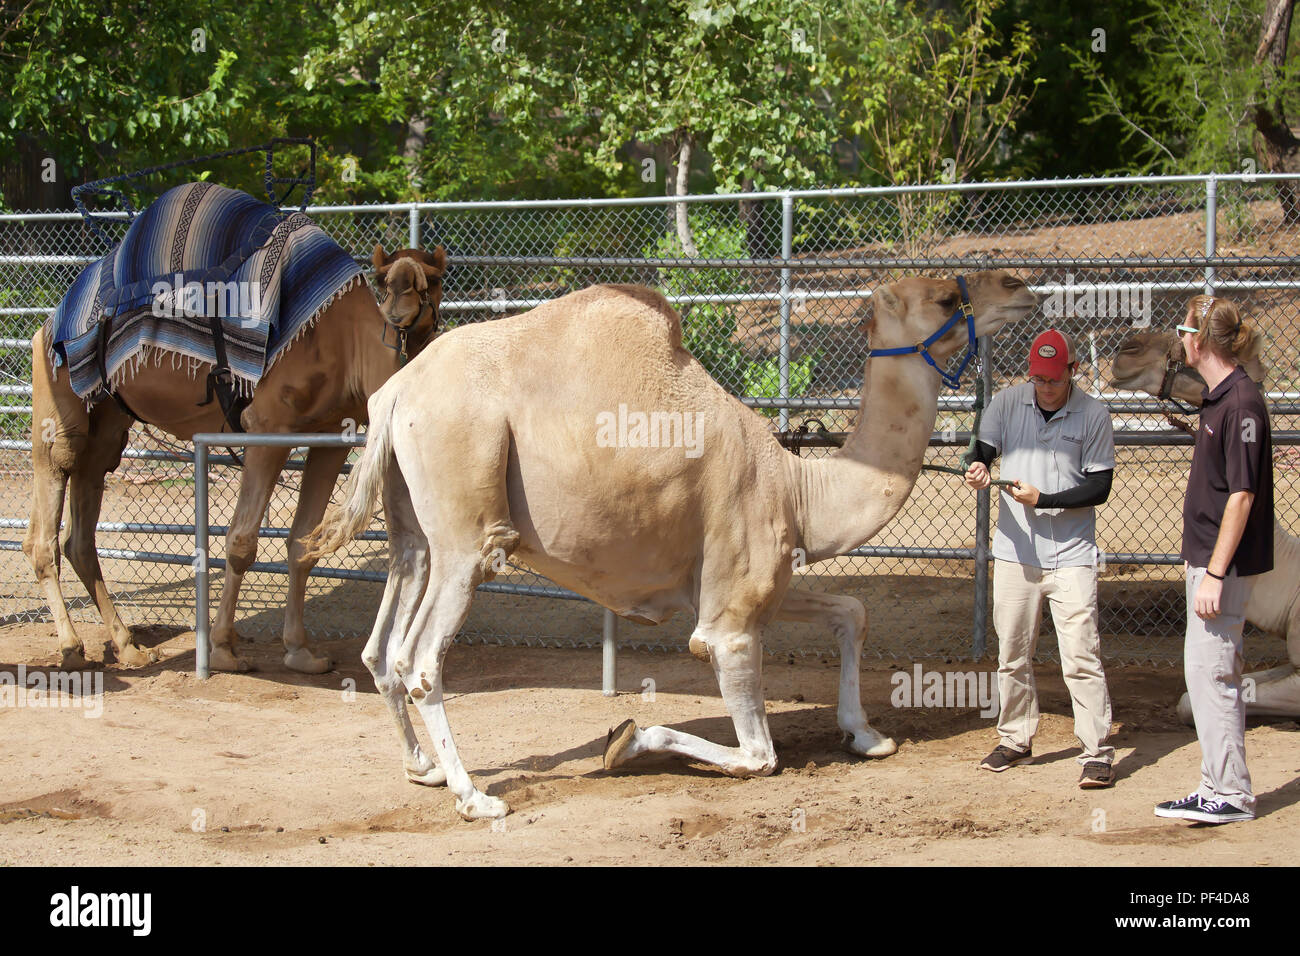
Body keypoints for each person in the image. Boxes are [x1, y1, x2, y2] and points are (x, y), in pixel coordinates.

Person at [965, 329, 1117, 789]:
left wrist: (1044, 498)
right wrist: (978, 466)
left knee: (1081, 656)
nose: (1046, 387)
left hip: (1072, 554)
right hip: (1016, 552)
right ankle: (1015, 737)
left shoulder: (1093, 413)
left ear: (1072, 371)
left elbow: (1101, 486)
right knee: (1011, 653)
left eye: (1054, 379)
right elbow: (982, 448)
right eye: (1038, 379)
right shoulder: (1009, 403)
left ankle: (1096, 752)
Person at [1155, 295, 1272, 825]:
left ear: (1200, 340)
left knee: (1213, 673)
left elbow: (1242, 496)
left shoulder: (1241, 402)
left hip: (1220, 567)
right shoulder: (1219, 396)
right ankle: (1215, 785)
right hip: (1205, 560)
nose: (1179, 338)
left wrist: (1216, 574)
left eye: (1184, 330)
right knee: (1204, 673)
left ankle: (1231, 794)